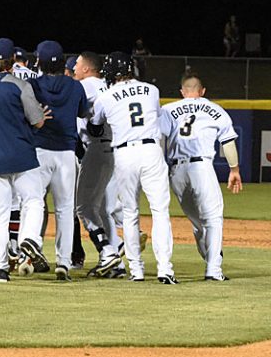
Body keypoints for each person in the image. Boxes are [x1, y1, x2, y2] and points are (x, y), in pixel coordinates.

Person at [90, 51, 176, 284]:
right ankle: (165, 269)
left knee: (130, 213)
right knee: (160, 211)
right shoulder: (152, 90)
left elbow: (95, 127)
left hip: (124, 153)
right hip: (151, 150)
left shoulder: (105, 96)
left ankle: (136, 270)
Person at [0, 38, 50, 283]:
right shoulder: (20, 85)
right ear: (12, 61)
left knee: (0, 216)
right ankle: (29, 239)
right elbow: (38, 121)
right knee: (34, 201)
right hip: (21, 153)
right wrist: (38, 117)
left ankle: (1, 269)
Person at [159, 72, 242, 281]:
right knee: (213, 218)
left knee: (197, 222)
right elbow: (228, 142)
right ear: (202, 91)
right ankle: (213, 269)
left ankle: (211, 260)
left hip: (177, 171)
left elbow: (160, 139)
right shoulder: (215, 109)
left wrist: (159, 167)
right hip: (201, 167)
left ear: (182, 91)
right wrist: (234, 170)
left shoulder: (167, 109)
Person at [27, 40, 90, 280]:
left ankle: (30, 247)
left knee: (33, 203)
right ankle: (63, 262)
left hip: (39, 151)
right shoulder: (75, 86)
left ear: (39, 62)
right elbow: (83, 112)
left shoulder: (33, 85)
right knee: (65, 209)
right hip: (66, 153)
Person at [73, 51, 124, 277]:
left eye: (77, 64)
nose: (74, 68)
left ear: (86, 68)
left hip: (95, 148)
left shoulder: (85, 86)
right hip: (113, 149)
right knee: (103, 210)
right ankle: (118, 263)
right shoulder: (109, 86)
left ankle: (107, 252)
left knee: (84, 207)